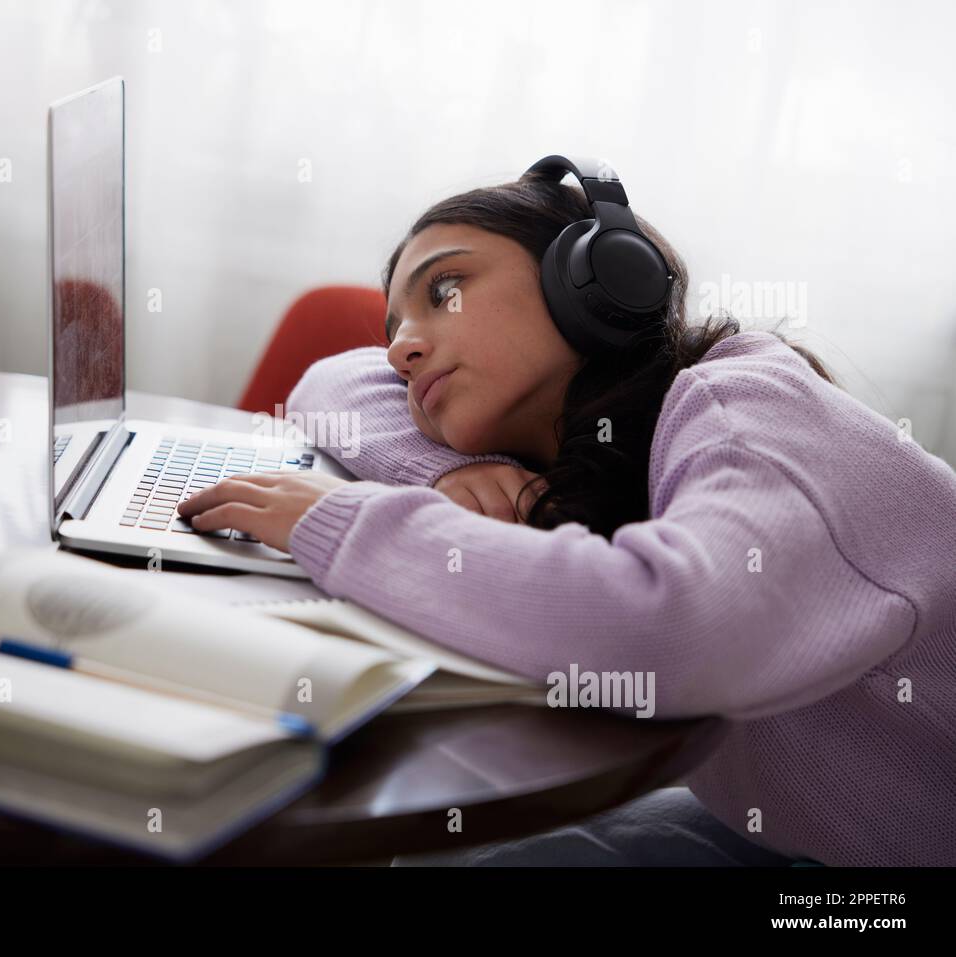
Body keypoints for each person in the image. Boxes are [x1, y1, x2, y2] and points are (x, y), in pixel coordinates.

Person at [176, 170, 956, 866]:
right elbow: (330, 382)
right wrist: (451, 472)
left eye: (443, 291)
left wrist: (350, 525)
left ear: (599, 284)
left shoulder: (745, 405)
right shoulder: (587, 452)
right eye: (394, 329)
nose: (400, 351)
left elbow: (673, 628)